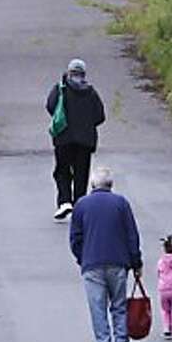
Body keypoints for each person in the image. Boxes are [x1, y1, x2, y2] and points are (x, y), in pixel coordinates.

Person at [69, 165, 142, 342]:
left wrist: (82, 258)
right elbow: (132, 235)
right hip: (118, 263)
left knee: (98, 308)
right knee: (119, 305)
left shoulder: (82, 205)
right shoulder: (121, 203)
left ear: (93, 183)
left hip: (92, 263)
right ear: (111, 184)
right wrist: (136, 262)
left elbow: (75, 238)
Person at [45, 58, 106, 220]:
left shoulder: (60, 89)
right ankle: (79, 206)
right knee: (81, 173)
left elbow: (51, 106)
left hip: (63, 138)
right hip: (85, 141)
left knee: (62, 170)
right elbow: (100, 116)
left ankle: (64, 202)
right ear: (84, 74)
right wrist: (86, 124)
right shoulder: (91, 92)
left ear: (69, 72)